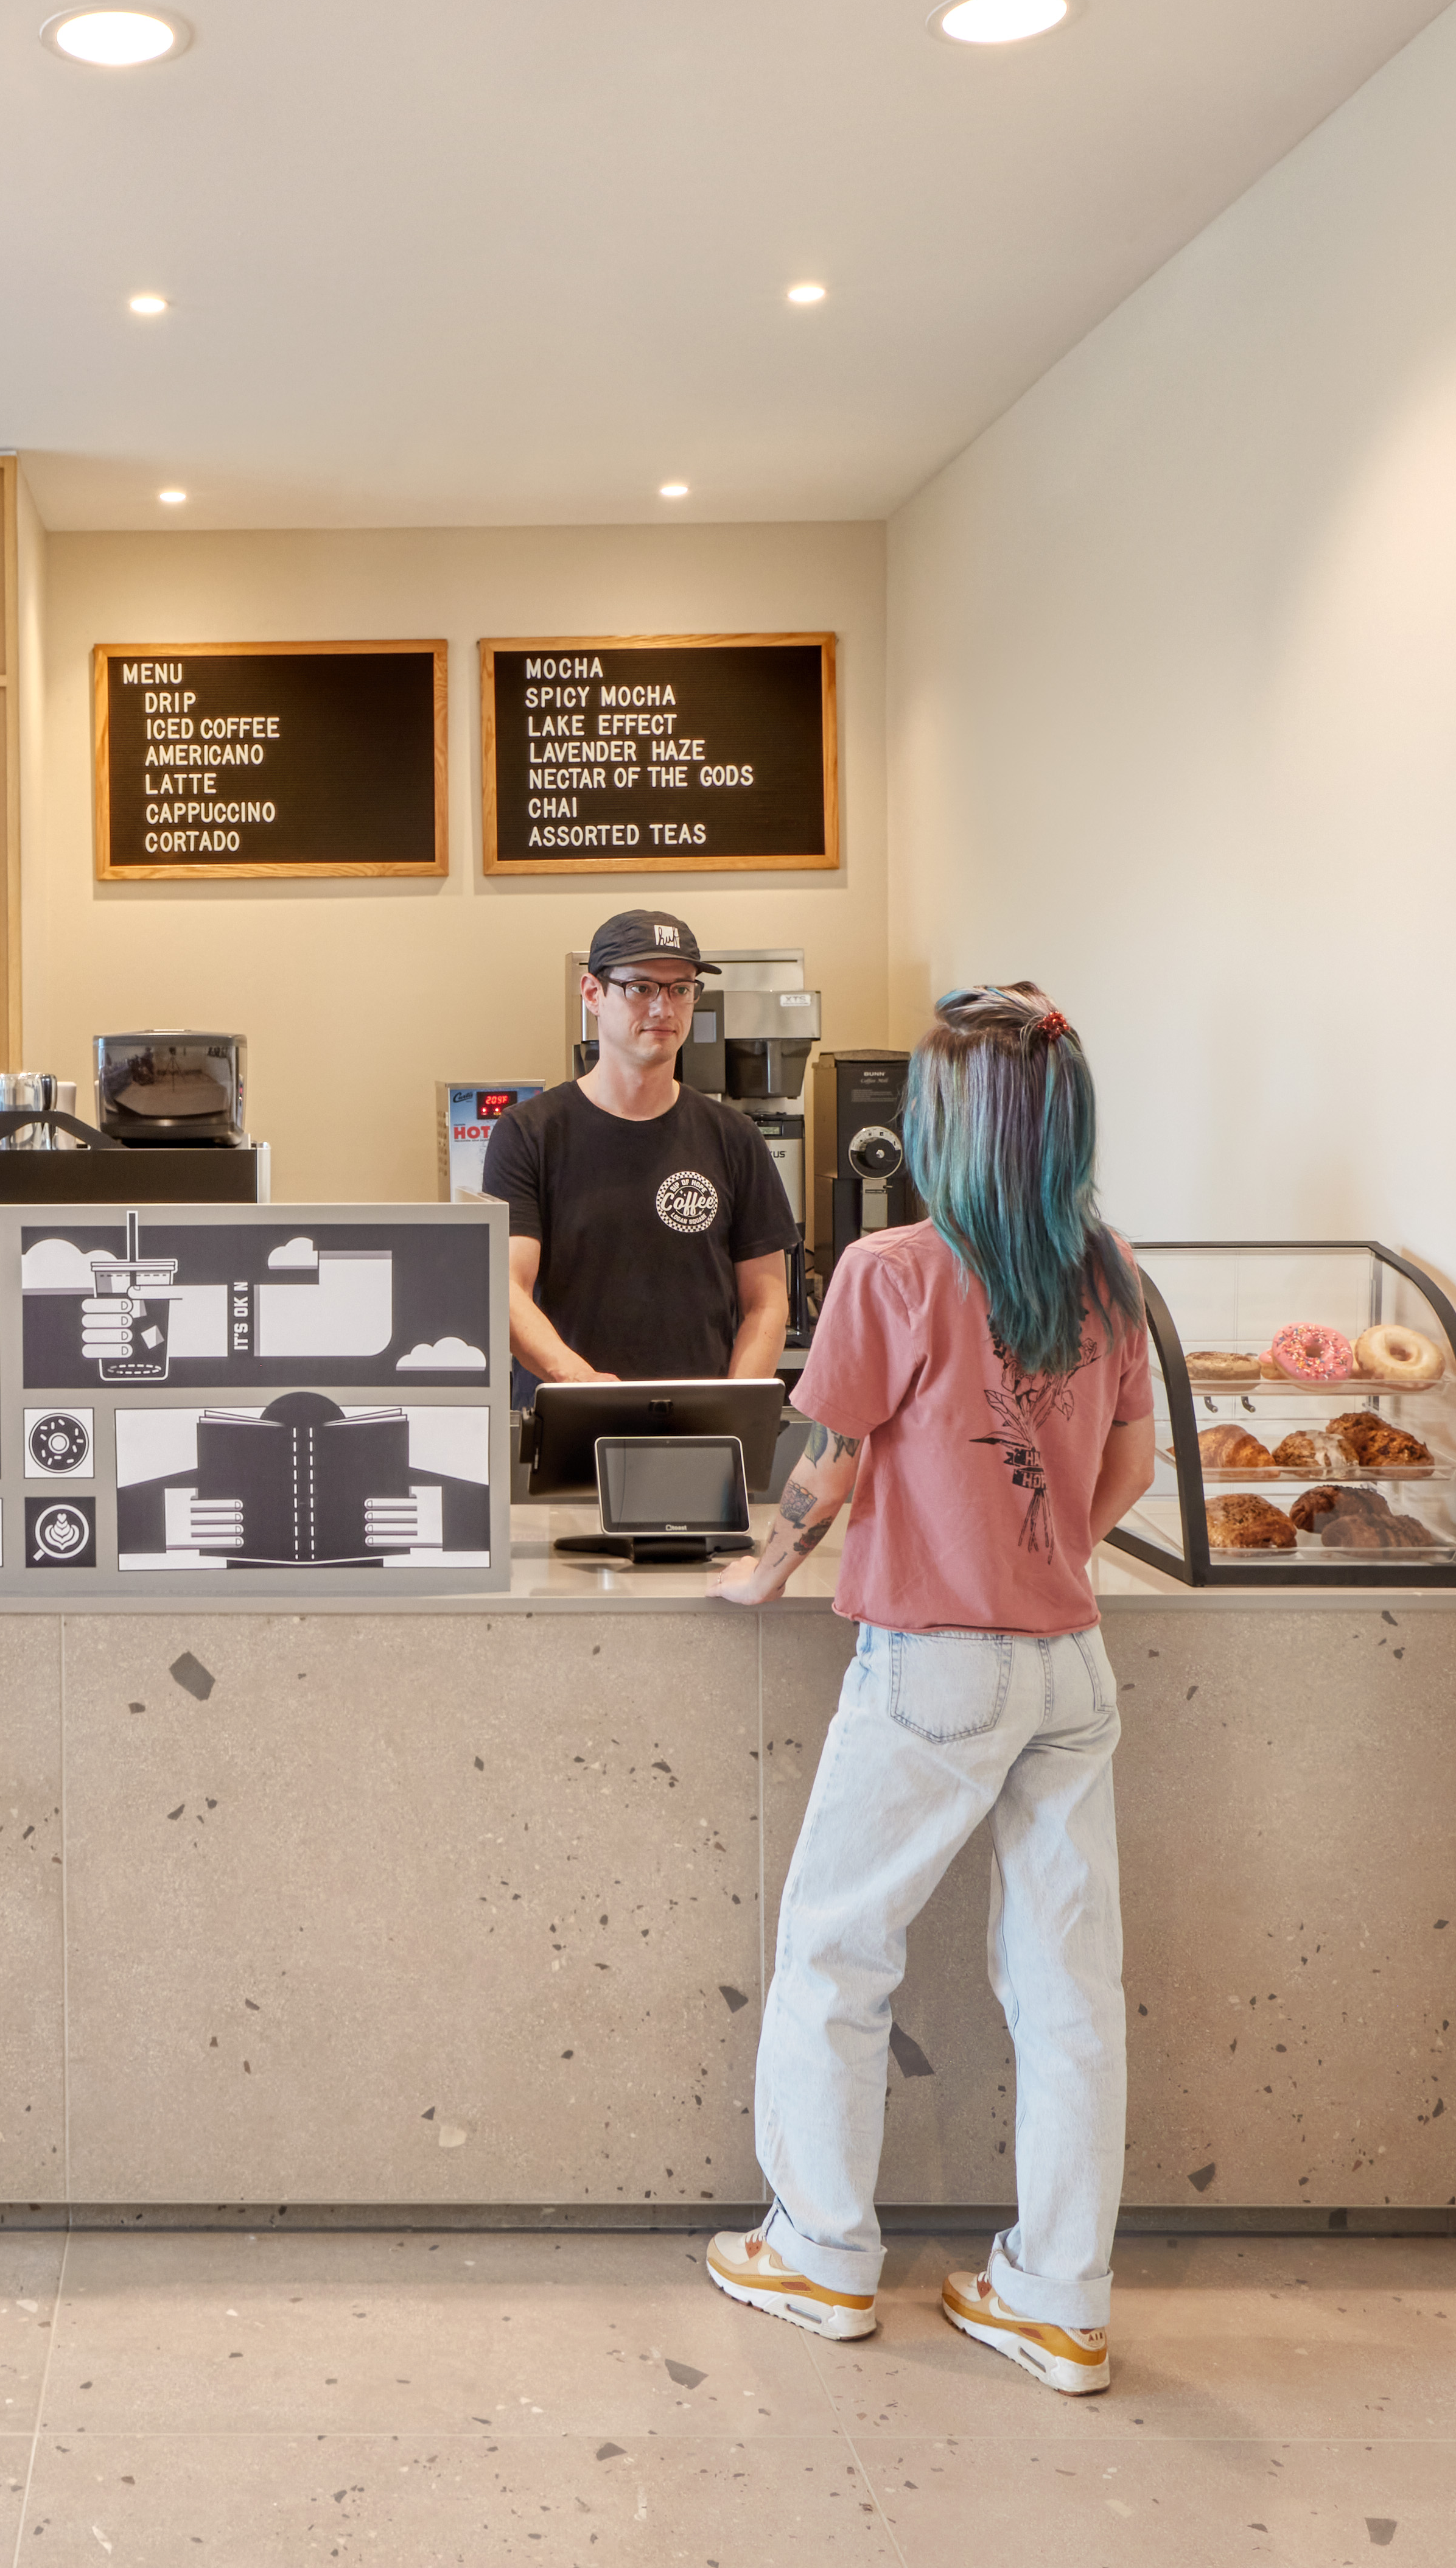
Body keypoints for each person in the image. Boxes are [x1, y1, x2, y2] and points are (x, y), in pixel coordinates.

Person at [702, 983, 1162, 2393]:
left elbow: (832, 1459)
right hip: (1069, 1665)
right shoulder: (1105, 1271)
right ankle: (1058, 2302)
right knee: (1070, 1989)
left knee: (835, 1953)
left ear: (946, 1122)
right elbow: (1130, 1464)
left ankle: (821, 2253)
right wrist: (1044, 1553)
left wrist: (764, 1571)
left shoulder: (891, 1268)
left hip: (934, 1668)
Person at [486, 907, 797, 1384]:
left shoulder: (734, 1136)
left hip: (701, 1421)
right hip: (570, 1414)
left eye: (680, 989)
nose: (663, 1008)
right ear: (593, 993)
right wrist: (581, 1383)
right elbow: (507, 1286)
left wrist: (735, 1405)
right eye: (641, 987)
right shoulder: (529, 1133)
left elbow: (767, 1301)